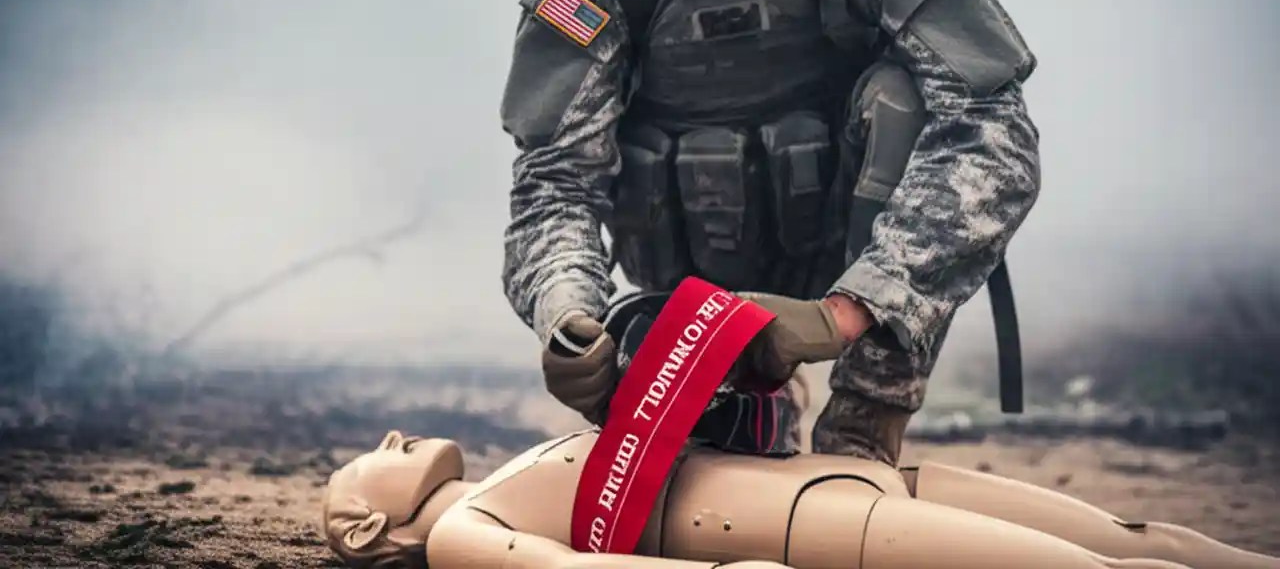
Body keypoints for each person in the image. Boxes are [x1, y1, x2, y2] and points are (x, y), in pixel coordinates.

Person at [500, 0, 1041, 466]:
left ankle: (863, 429)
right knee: (728, 473)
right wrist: (568, 314)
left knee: (906, 101)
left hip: (851, 265)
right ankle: (737, 409)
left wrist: (845, 313)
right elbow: (553, 179)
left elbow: (993, 131)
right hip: (694, 286)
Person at [321, 429, 1279, 569]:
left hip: (858, 477)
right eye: (373, 459)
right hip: (805, 520)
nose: (395, 441)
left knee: (1142, 534)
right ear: (365, 527)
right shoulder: (461, 531)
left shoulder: (496, 476)